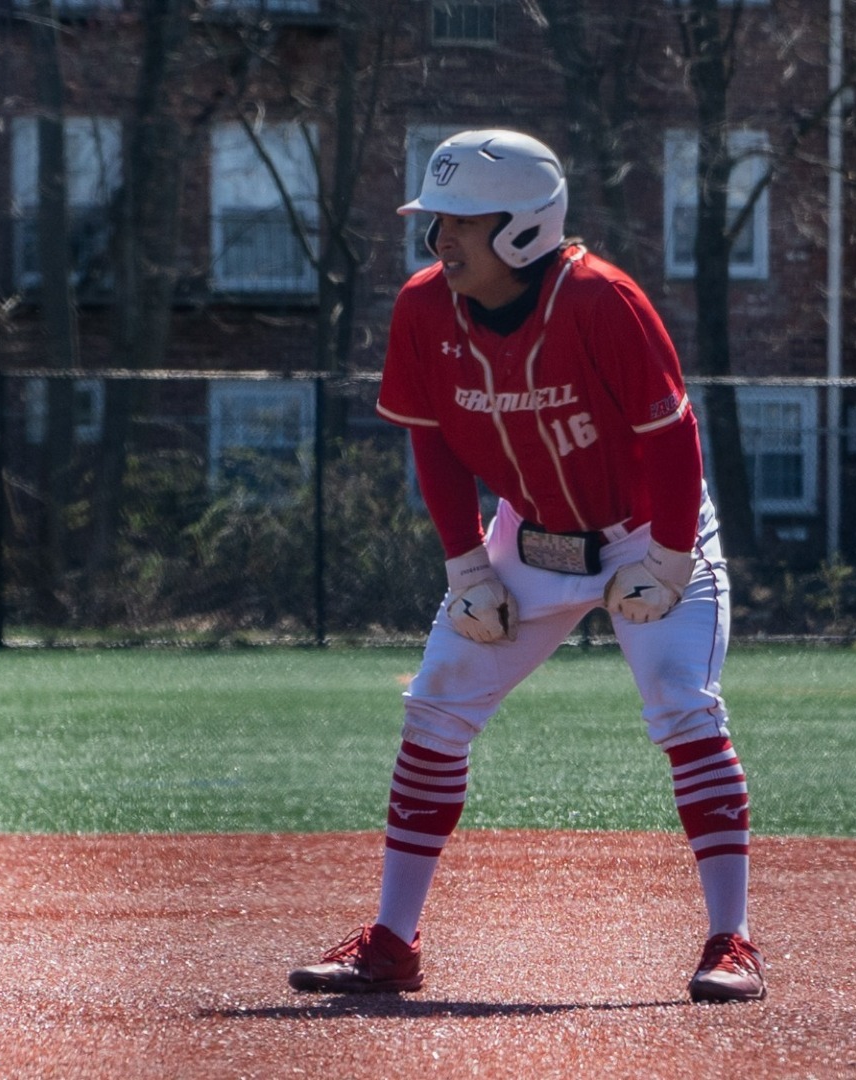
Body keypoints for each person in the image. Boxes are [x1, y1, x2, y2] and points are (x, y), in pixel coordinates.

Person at [287, 129, 763, 1004]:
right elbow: (432, 445)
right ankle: (391, 944)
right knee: (435, 705)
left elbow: (674, 437)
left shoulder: (603, 299)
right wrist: (467, 567)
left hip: (645, 529)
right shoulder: (423, 308)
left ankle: (731, 941)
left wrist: (668, 557)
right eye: (437, 221)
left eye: (462, 221)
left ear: (523, 228)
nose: (441, 239)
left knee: (683, 704)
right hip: (527, 534)